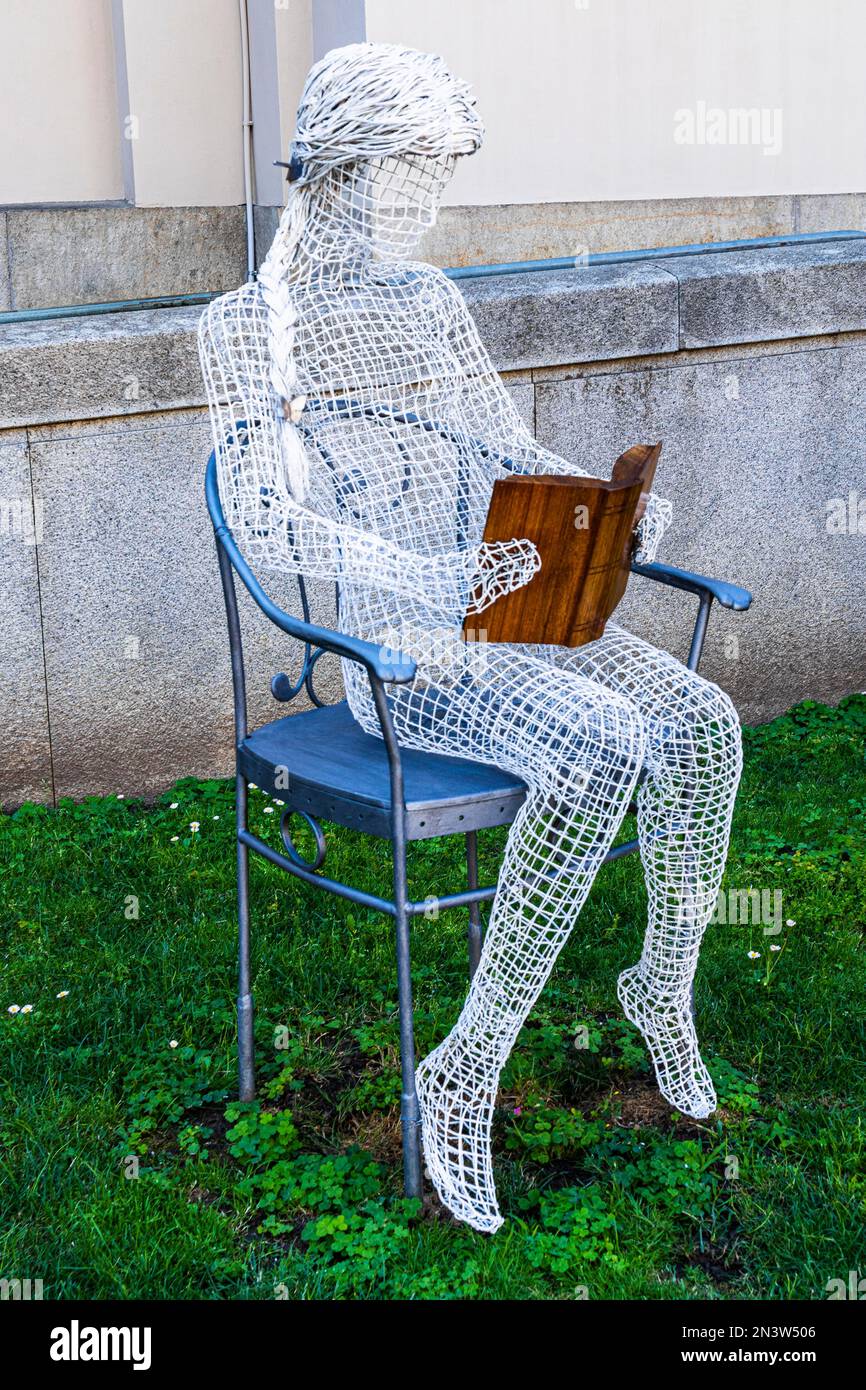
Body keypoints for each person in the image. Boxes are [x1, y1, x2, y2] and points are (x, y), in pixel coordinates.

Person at [199, 43, 742, 1234]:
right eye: (416, 173)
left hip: (508, 612)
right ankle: (464, 1065)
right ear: (344, 168)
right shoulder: (247, 327)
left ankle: (657, 987)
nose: (429, 203)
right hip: (396, 655)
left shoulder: (428, 304)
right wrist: (427, 572)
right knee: (601, 744)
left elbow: (505, 445)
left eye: (441, 174)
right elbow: (264, 511)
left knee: (702, 725)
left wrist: (603, 503)